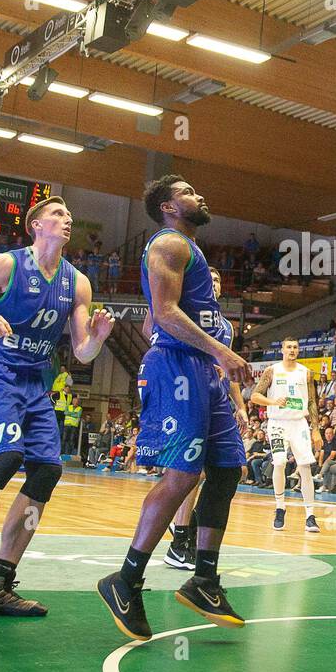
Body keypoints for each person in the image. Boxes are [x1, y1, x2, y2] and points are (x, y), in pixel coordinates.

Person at [0, 197, 114, 624]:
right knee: (4, 459)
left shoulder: (78, 283)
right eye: (58, 214)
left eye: (70, 215)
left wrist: (99, 337)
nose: (67, 220)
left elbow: (84, 353)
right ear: (36, 225)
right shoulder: (4, 266)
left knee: (47, 471)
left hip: (35, 384)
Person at [97, 175, 253, 641]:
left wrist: (213, 349)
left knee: (227, 469)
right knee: (182, 475)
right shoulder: (167, 242)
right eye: (189, 191)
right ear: (168, 206)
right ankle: (125, 580)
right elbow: (162, 316)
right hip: (181, 369)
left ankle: (204, 578)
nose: (200, 194)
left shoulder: (189, 251)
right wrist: (221, 351)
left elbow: (149, 318)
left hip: (203, 370)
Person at [163, 267, 248, 570]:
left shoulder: (226, 325)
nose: (213, 284)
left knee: (232, 469)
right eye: (208, 279)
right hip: (189, 396)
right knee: (191, 472)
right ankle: (179, 541)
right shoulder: (187, 314)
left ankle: (189, 529)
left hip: (218, 398)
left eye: (217, 280)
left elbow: (230, 369)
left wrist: (240, 406)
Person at [249, 338, 323, 533]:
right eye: (288, 347)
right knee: (280, 462)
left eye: (295, 347)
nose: (292, 350)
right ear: (282, 349)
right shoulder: (271, 371)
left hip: (299, 424)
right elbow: (255, 396)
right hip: (277, 423)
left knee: (305, 467)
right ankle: (280, 507)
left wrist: (315, 429)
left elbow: (312, 402)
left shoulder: (306, 372)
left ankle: (310, 516)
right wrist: (273, 402)